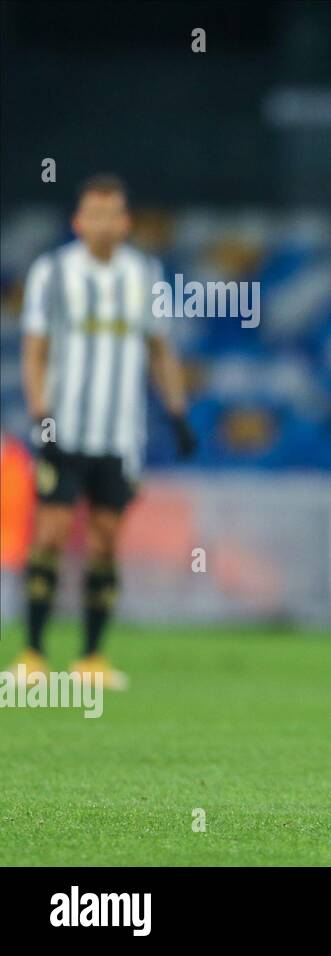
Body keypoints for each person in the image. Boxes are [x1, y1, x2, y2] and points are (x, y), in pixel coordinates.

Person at [2, 175, 196, 691]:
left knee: (107, 541)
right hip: (64, 427)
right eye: (94, 213)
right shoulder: (54, 273)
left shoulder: (143, 274)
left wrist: (177, 412)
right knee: (50, 534)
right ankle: (33, 653)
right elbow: (35, 350)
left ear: (126, 222)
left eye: (113, 213)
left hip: (118, 435)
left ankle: (91, 656)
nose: (103, 222)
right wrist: (41, 413)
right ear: (78, 221)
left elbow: (159, 350)